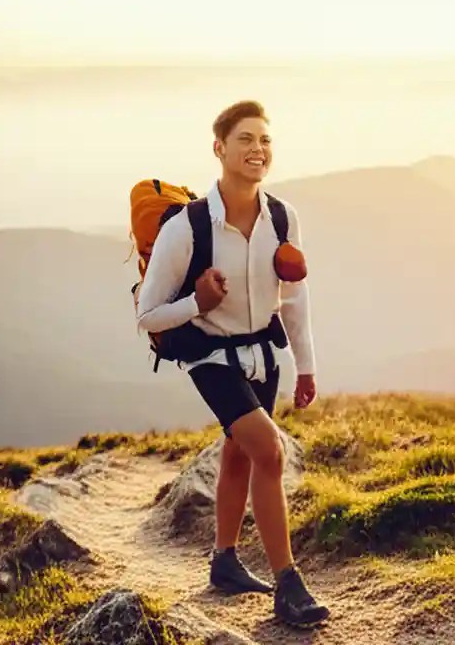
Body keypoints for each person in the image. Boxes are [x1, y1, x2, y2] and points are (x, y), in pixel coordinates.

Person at [136, 100, 329, 628]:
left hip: (262, 354)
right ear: (219, 148)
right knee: (268, 450)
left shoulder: (284, 218)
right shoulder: (187, 228)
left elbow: (294, 299)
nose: (257, 150)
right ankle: (288, 584)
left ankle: (224, 561)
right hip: (208, 355)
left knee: (240, 455)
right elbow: (147, 315)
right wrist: (197, 303)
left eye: (264, 140)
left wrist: (305, 366)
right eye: (245, 139)